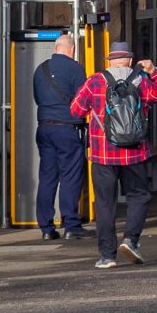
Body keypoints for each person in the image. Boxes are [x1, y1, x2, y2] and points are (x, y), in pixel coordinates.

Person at [70, 42, 157, 269]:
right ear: (130, 60)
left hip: (102, 155)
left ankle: (107, 256)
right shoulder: (141, 81)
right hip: (134, 153)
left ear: (110, 60)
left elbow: (75, 110)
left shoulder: (95, 81)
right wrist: (154, 71)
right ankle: (131, 240)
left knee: (105, 204)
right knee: (139, 196)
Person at [32, 33, 88, 241]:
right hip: (67, 128)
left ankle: (46, 228)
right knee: (70, 176)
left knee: (47, 177)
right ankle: (71, 225)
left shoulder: (40, 70)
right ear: (72, 49)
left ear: (55, 48)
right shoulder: (76, 69)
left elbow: (37, 98)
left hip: (44, 128)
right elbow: (83, 100)